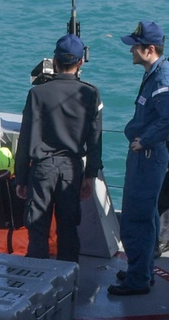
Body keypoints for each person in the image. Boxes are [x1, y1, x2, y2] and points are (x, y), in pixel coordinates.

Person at [13, 34, 103, 264]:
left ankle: (37, 283)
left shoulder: (37, 94)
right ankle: (69, 282)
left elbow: (25, 140)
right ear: (80, 63)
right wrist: (90, 175)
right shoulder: (90, 94)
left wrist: (21, 177)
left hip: (42, 170)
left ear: (54, 60)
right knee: (69, 230)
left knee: (37, 229)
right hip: (72, 170)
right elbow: (95, 140)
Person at [108, 21, 169, 297]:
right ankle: (141, 270)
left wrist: (144, 140)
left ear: (150, 49)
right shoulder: (154, 74)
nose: (131, 49)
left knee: (136, 217)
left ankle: (137, 281)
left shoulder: (162, 78)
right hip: (147, 155)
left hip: (147, 155)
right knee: (149, 216)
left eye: (136, 45)